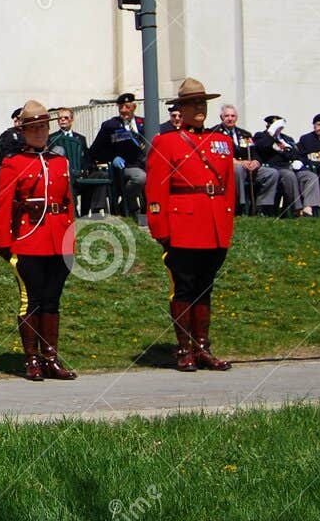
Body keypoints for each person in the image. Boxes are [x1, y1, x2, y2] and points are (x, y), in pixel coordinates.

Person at [146, 78, 234, 372]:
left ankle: (203, 348)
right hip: (182, 226)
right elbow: (156, 189)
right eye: (193, 103)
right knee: (183, 288)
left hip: (213, 226)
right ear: (179, 109)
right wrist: (160, 229)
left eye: (202, 102)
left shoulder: (222, 142)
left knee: (204, 288)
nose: (199, 107)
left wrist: (226, 224)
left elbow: (228, 188)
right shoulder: (166, 142)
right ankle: (184, 349)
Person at [0, 100, 76, 381]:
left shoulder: (60, 161)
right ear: (24, 131)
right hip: (28, 238)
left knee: (52, 301)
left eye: (43, 127)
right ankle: (31, 359)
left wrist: (70, 241)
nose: (40, 133)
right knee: (32, 300)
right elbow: (3, 205)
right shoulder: (13, 163)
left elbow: (68, 204)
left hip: (57, 239)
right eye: (34, 128)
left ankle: (50, 358)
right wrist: (4, 242)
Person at [89, 92, 146, 215]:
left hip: (144, 164)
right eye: (121, 107)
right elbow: (95, 150)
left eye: (127, 107)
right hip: (126, 167)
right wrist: (112, 157)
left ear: (134, 107)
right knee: (141, 178)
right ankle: (126, 204)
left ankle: (131, 207)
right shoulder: (111, 126)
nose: (123, 110)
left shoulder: (143, 123)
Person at [214, 105, 277, 216]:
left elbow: (254, 152)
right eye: (227, 116)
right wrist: (238, 162)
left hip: (249, 167)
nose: (230, 118)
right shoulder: (214, 133)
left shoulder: (245, 134)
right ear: (221, 117)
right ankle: (240, 207)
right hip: (227, 168)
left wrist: (256, 162)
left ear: (236, 117)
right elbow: (216, 155)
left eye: (232, 116)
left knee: (271, 173)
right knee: (238, 170)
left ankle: (262, 208)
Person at [253, 115, 318, 216]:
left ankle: (308, 207)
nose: (278, 129)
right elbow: (262, 147)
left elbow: (296, 153)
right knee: (289, 175)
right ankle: (297, 209)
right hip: (274, 168)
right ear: (268, 126)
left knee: (310, 176)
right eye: (275, 126)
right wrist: (271, 134)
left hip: (290, 167)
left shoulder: (286, 139)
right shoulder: (261, 136)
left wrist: (297, 160)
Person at [47, 107, 101, 215]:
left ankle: (96, 212)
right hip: (65, 175)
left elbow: (86, 158)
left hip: (81, 174)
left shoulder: (80, 138)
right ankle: (73, 213)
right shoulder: (52, 138)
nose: (62, 120)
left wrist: (86, 171)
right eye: (60, 118)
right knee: (69, 175)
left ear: (71, 120)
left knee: (101, 175)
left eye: (66, 118)